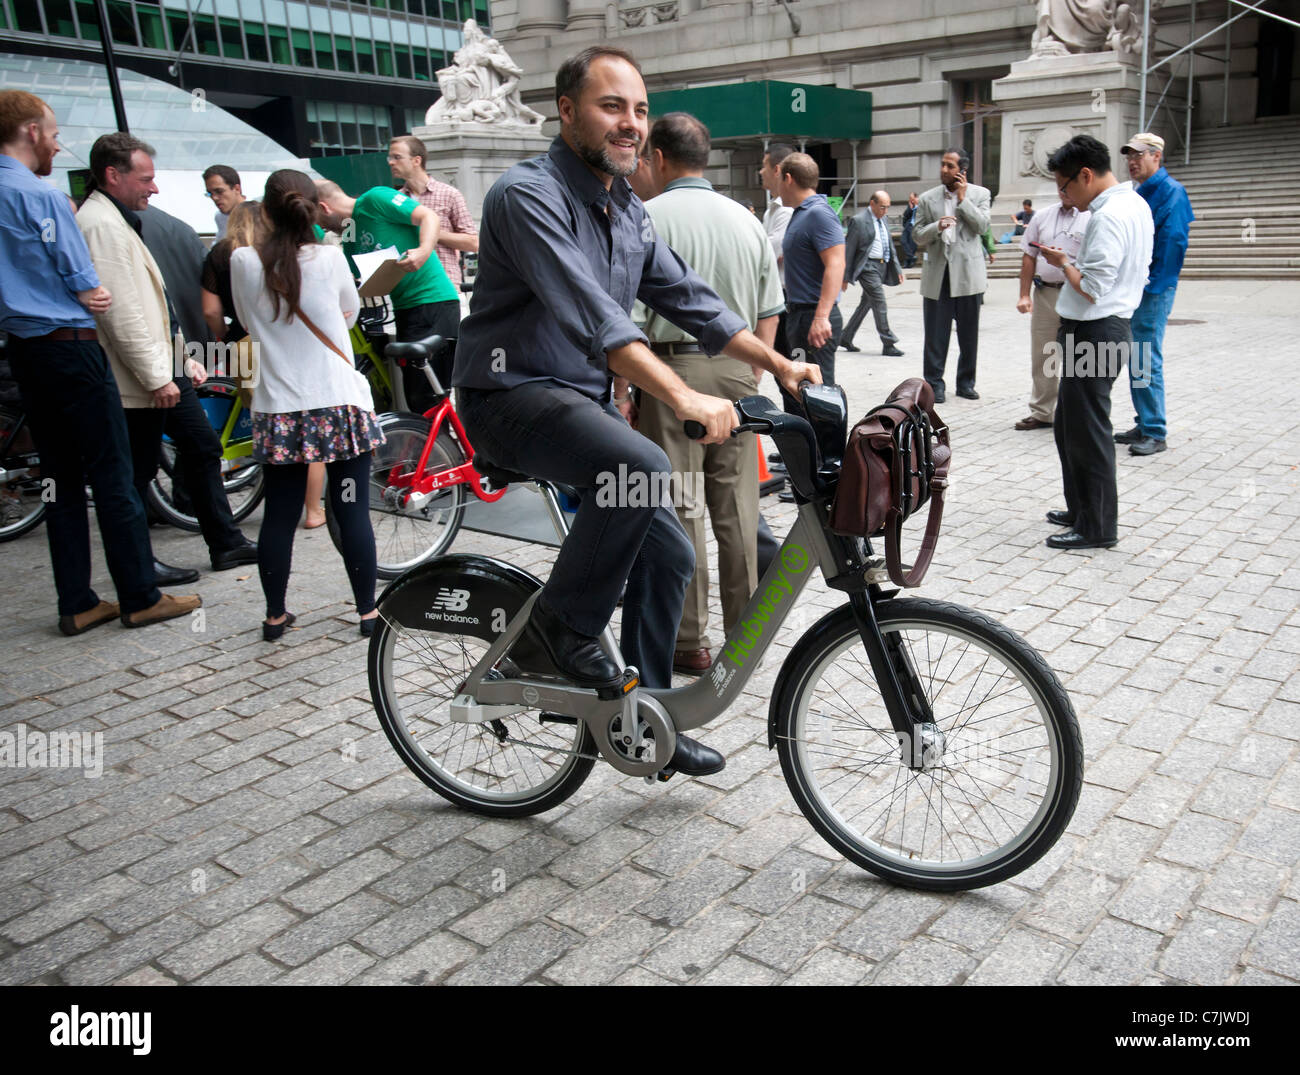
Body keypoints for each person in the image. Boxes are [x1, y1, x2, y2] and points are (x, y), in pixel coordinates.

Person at [452, 46, 819, 777]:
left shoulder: (628, 210)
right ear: (565, 111)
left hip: (577, 400)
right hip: (511, 397)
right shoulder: (526, 196)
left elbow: (691, 300)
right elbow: (596, 318)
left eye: (641, 110)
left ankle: (646, 717)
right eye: (611, 106)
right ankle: (563, 630)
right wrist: (681, 394)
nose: (631, 124)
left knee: (673, 554)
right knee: (642, 461)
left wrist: (779, 364)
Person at [0, 91, 198, 632]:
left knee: (59, 477)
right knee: (113, 474)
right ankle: (138, 594)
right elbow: (81, 273)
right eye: (53, 132)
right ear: (32, 132)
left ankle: (78, 601)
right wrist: (89, 291)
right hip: (69, 344)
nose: (58, 143)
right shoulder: (38, 195)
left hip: (25, 348)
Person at [633, 112, 784, 676]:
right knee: (739, 508)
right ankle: (747, 631)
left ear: (660, 158)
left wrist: (628, 392)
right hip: (739, 374)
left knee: (684, 504)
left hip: (671, 376)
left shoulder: (643, 218)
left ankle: (690, 641)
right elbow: (770, 308)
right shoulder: (746, 220)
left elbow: (628, 322)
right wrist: (754, 376)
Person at [78, 133, 258, 582]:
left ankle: (225, 543)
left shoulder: (115, 219)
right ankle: (142, 570)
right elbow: (123, 313)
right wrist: (160, 376)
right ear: (112, 175)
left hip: (161, 367)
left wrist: (181, 359)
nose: (154, 189)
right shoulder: (101, 225)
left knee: (198, 447)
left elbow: (149, 307)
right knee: (137, 472)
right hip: (144, 376)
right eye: (146, 179)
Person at [230, 169, 384, 640]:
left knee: (279, 515)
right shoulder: (332, 258)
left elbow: (245, 320)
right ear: (313, 207)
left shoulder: (241, 261)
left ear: (266, 211)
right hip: (337, 402)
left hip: (280, 408)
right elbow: (350, 312)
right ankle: (367, 614)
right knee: (352, 509)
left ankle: (275, 617)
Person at [1038, 134, 1153, 551]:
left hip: (1096, 328)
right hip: (1100, 327)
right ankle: (1081, 508)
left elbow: (1093, 287)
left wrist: (1063, 262)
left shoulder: (1109, 215)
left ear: (1085, 175)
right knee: (1070, 424)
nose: (1064, 196)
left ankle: (1098, 526)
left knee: (1088, 430)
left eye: (1064, 186)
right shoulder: (1134, 203)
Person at [315, 178, 459, 412]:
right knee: (416, 395)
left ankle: (444, 446)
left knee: (429, 394)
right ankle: (436, 445)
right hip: (404, 309)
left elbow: (428, 216)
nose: (323, 228)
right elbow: (357, 278)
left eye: (319, 221)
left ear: (324, 207)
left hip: (434, 301)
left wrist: (424, 250)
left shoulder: (375, 199)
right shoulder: (350, 232)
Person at [1116, 132, 1193, 457]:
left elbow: (1173, 243)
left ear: (1156, 157)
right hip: (1140, 287)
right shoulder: (1140, 192)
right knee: (1138, 356)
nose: (1132, 162)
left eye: (1139, 156)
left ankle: (1155, 431)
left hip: (1153, 289)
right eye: (1129, 156)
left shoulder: (1171, 192)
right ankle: (1144, 421)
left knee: (1146, 356)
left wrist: (1150, 288)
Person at [913, 147, 991, 403]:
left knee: (969, 334)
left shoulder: (981, 194)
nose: (944, 170)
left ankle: (966, 382)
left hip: (968, 275)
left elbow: (982, 226)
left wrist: (963, 199)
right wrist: (937, 226)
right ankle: (934, 384)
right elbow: (916, 234)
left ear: (962, 171)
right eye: (943, 165)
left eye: (950, 166)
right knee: (935, 335)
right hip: (938, 275)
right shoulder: (926, 198)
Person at [1014, 187, 1090, 430]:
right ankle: (1043, 412)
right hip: (1045, 292)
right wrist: (1024, 294)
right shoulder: (1042, 217)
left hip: (1077, 293)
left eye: (1070, 184)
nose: (1065, 190)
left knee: (1079, 356)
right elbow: (1028, 256)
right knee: (1044, 354)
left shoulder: (1091, 216)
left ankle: (1077, 414)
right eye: (1061, 185)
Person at [776, 151, 844, 408]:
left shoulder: (818, 213)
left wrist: (821, 317)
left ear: (789, 179)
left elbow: (836, 263)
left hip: (812, 317)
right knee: (803, 394)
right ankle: (805, 449)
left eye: (779, 178)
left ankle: (826, 449)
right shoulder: (802, 213)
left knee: (819, 399)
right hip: (800, 315)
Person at [388, 135, 479, 293]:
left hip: (444, 284)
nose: (391, 162)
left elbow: (473, 242)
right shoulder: (395, 200)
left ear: (417, 160)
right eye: (389, 157)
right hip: (407, 287)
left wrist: (431, 232)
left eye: (397, 157)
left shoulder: (449, 194)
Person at [840, 190, 904, 356]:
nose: (885, 211)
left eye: (887, 207)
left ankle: (845, 337)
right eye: (882, 207)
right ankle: (888, 343)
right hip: (867, 267)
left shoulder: (883, 220)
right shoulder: (858, 221)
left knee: (866, 304)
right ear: (872, 204)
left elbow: (890, 245)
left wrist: (897, 268)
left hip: (881, 266)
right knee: (879, 301)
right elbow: (849, 250)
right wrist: (844, 277)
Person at [759, 142, 795, 357]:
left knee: (789, 364)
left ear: (777, 170)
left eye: (764, 165)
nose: (760, 171)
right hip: (778, 297)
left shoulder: (786, 210)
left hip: (786, 301)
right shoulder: (773, 209)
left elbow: (769, 255)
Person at [204, 164, 245, 240]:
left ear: (237, 189)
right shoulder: (220, 217)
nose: (214, 198)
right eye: (210, 193)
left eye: (219, 191)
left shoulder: (259, 215)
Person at [900, 191, 919, 268]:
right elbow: (905, 216)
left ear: (916, 198)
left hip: (915, 227)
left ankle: (908, 262)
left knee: (912, 245)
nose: (911, 200)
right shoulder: (910, 206)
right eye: (910, 199)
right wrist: (910, 209)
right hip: (908, 226)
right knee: (903, 240)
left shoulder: (921, 206)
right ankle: (912, 257)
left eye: (912, 198)